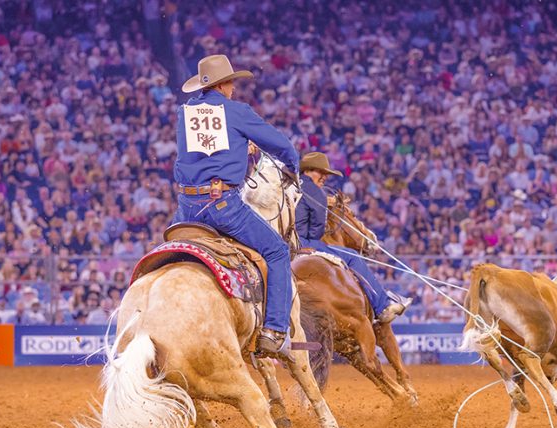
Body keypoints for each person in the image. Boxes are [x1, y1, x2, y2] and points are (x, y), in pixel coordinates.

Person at [173, 54, 299, 360]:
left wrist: (240, 145)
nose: (234, 88)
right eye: (231, 82)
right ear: (223, 84)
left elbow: (206, 150)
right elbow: (281, 144)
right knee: (277, 252)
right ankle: (274, 330)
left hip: (186, 208)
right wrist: (293, 166)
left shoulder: (185, 112)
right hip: (222, 206)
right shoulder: (236, 111)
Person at [295, 152, 411, 323]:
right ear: (308, 171)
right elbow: (317, 230)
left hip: (285, 241)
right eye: (321, 172)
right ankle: (383, 304)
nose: (325, 177)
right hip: (304, 242)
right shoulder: (315, 191)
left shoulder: (292, 186)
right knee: (353, 257)